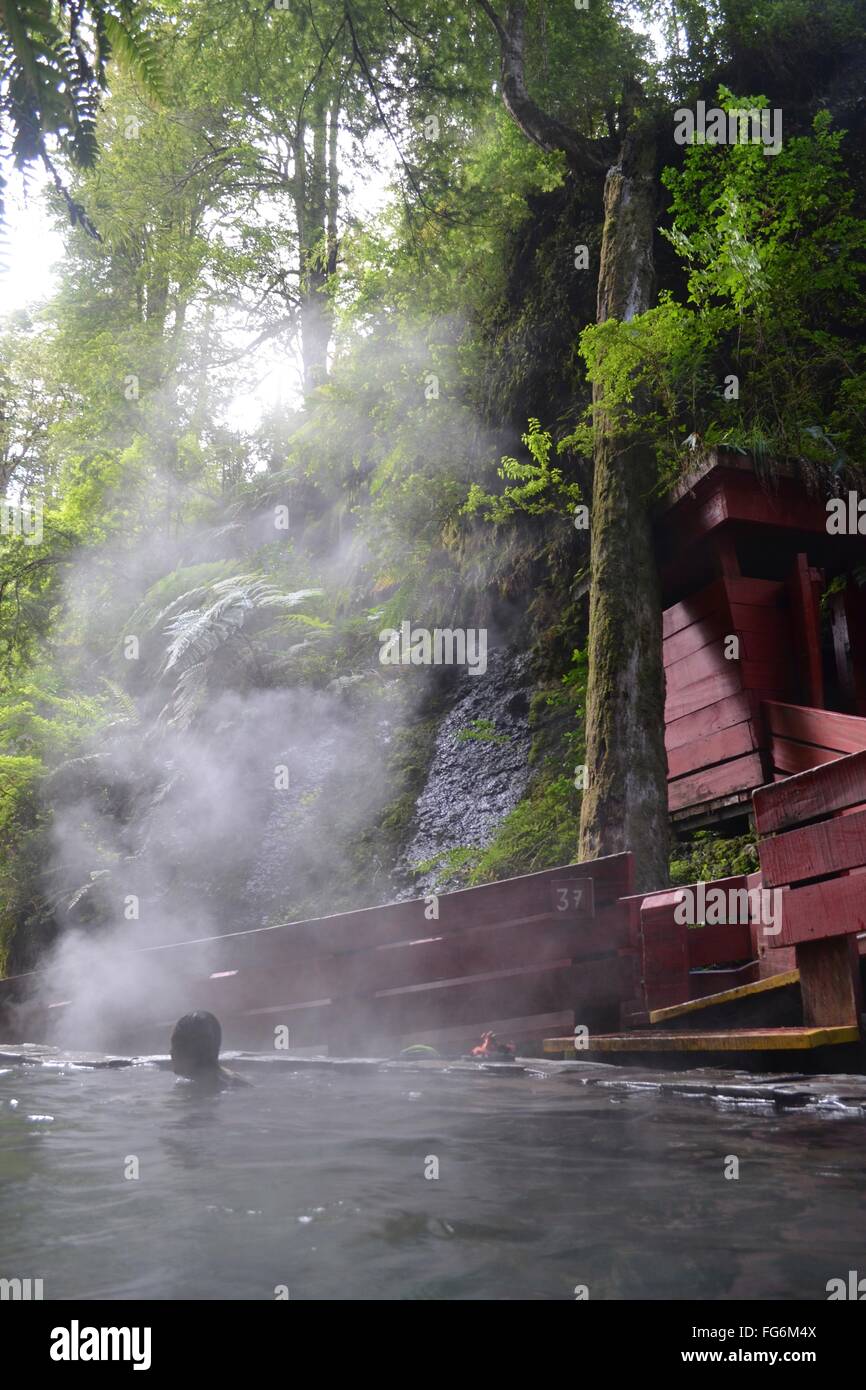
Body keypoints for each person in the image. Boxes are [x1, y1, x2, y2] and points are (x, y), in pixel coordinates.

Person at [169, 1011, 250, 1088]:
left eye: (176, 1047)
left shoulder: (193, 1088)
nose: (171, 1053)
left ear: (192, 1052)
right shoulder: (234, 1081)